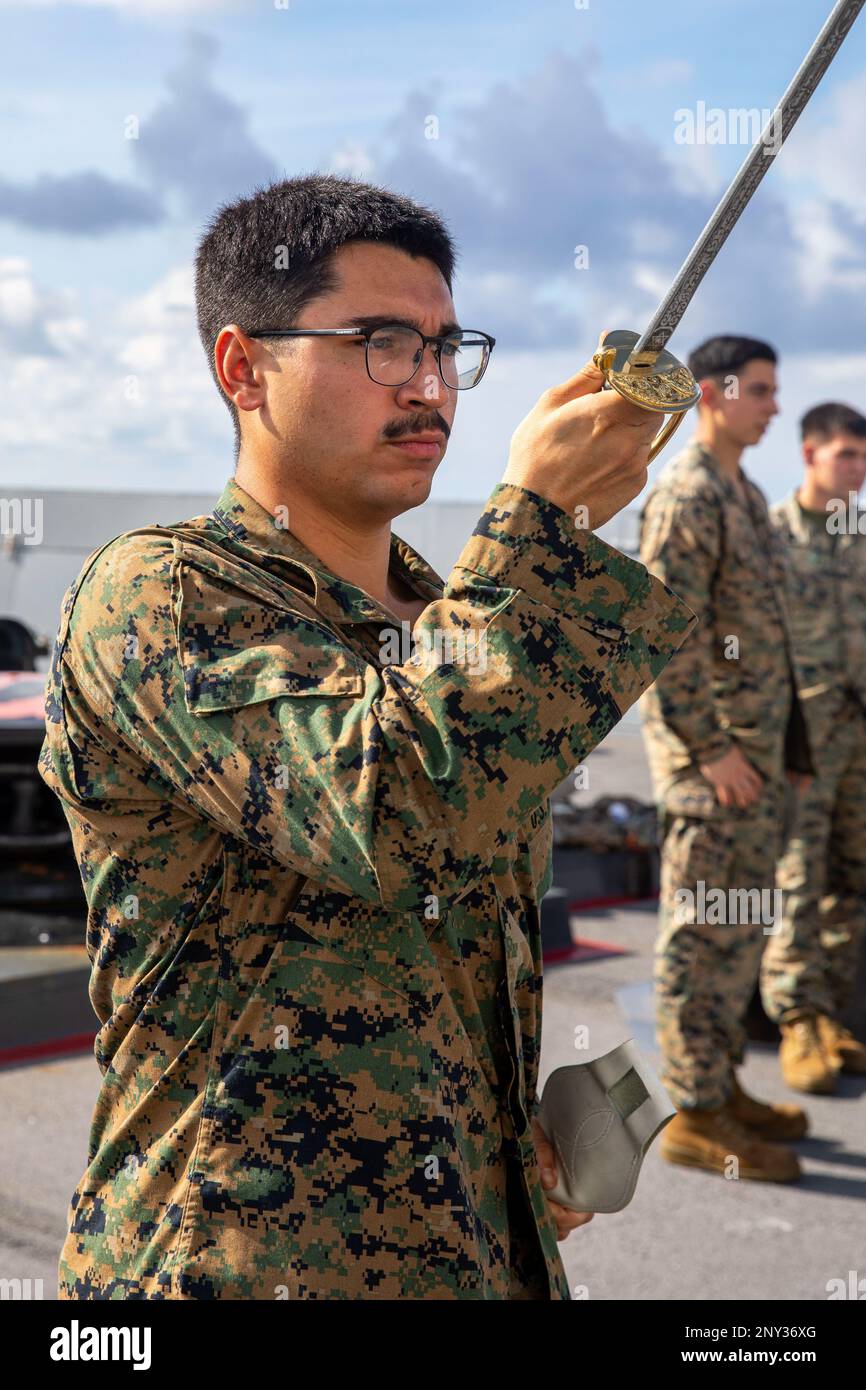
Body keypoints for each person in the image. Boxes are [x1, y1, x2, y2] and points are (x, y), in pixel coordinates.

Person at [38, 173, 695, 1300]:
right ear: (243, 368)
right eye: (382, 345)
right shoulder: (160, 591)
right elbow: (392, 809)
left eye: (448, 347)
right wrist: (533, 532)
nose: (432, 386)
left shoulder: (448, 614)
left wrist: (515, 1168)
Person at [638, 334, 813, 1184]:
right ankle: (693, 1117)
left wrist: (788, 748)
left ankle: (723, 1084)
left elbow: (765, 636)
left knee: (739, 931)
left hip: (754, 762)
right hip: (713, 770)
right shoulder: (688, 495)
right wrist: (709, 750)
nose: (775, 406)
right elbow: (661, 634)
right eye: (763, 391)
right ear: (714, 392)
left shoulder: (744, 491)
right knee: (699, 938)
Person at [761, 402, 866, 1092]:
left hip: (857, 732)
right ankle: (795, 1018)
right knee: (799, 873)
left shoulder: (858, 535)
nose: (857, 472)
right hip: (801, 737)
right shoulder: (770, 535)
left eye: (862, 459)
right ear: (809, 455)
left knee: (850, 874)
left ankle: (828, 1011)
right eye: (845, 457)